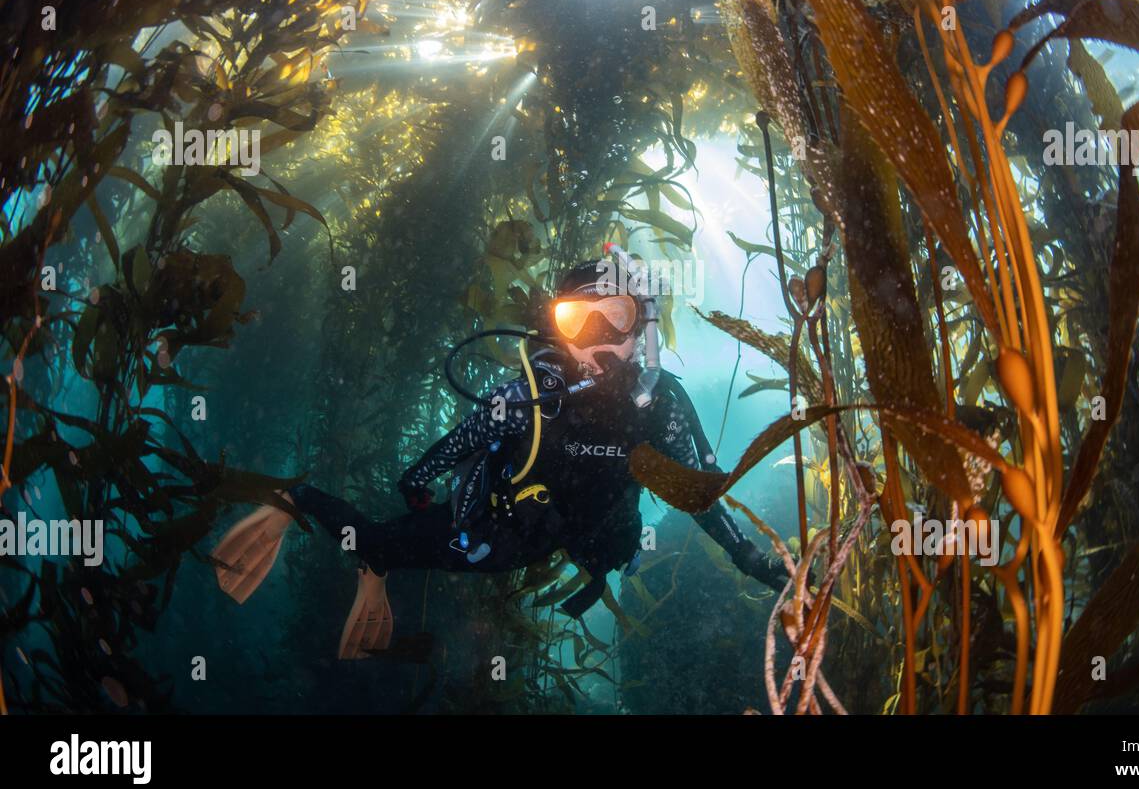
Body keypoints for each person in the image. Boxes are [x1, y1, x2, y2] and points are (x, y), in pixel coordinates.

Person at [211, 253, 788, 658]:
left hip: (592, 537)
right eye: (574, 322)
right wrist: (418, 480)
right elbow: (454, 444)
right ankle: (296, 500)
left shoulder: (661, 405)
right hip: (509, 532)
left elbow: (700, 496)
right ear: (557, 331)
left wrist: (752, 560)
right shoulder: (528, 395)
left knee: (611, 543)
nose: (596, 341)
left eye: (615, 318)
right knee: (384, 544)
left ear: (645, 326)